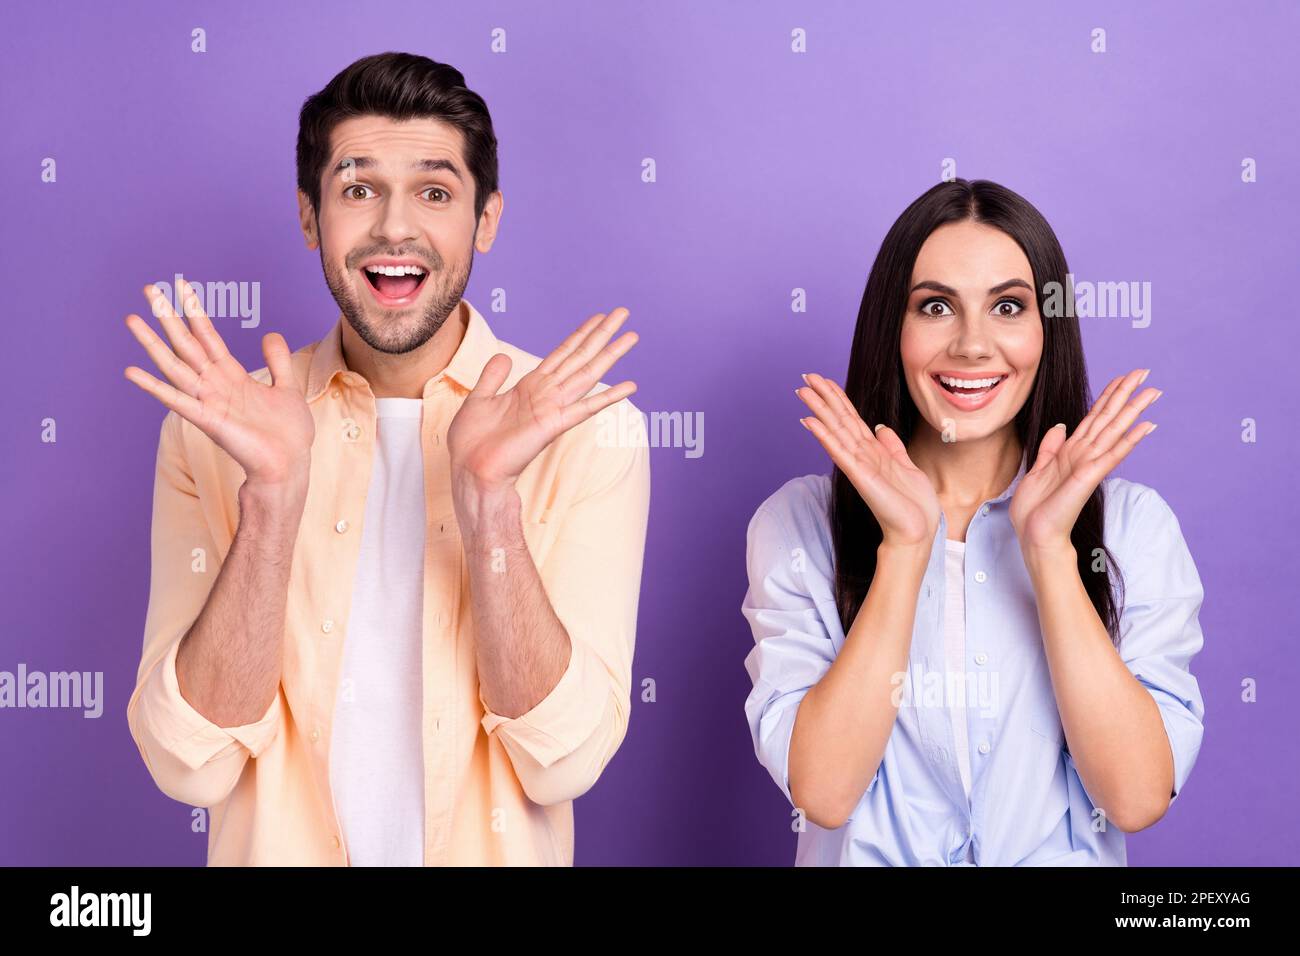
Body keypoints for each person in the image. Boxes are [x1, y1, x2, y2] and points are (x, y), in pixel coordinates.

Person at [123, 52, 650, 866]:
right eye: (358, 189)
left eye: (435, 192)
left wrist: (489, 500)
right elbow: (189, 763)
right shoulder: (214, 431)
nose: (395, 228)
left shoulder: (586, 432)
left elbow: (566, 761)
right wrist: (270, 498)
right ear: (310, 217)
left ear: (487, 219)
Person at [742, 178, 1205, 866]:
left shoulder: (1134, 530)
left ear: (1047, 328)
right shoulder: (798, 524)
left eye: (1009, 306)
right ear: (891, 328)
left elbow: (1137, 797)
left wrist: (1048, 550)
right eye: (936, 307)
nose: (972, 344)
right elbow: (825, 793)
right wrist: (905, 544)